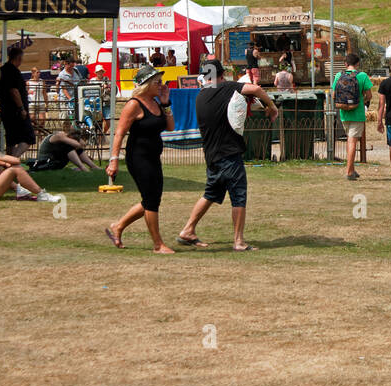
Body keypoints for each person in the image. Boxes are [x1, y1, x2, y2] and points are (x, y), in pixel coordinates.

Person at [176, 59, 278, 250]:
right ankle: (238, 241)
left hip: (212, 155)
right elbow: (256, 90)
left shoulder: (200, 96)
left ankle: (187, 230)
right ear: (221, 75)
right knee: (239, 195)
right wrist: (271, 107)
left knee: (211, 193)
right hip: (228, 154)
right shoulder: (224, 88)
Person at [106, 66, 175, 252]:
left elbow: (170, 127)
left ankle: (118, 226)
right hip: (138, 158)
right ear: (146, 85)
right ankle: (158, 245)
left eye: (161, 82)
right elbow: (119, 133)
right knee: (151, 200)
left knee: (151, 199)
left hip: (154, 157)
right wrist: (114, 159)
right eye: (157, 82)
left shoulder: (158, 102)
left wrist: (166, 103)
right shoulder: (134, 104)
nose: (161, 85)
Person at [0, 129, 57, 203]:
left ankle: (19, 190)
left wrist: (4, 164)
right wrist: (8, 161)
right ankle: (41, 194)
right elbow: (16, 160)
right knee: (16, 169)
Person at [331, 53, 373, 181]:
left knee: (350, 140)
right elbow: (369, 95)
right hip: (357, 113)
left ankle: (352, 169)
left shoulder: (339, 75)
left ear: (345, 64)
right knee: (352, 141)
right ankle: (349, 171)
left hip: (343, 113)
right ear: (357, 64)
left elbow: (333, 95)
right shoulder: (362, 76)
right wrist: (362, 100)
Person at [0, 45, 33, 158]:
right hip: (16, 111)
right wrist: (21, 108)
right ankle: (12, 160)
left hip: (6, 109)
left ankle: (9, 164)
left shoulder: (3, 69)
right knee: (29, 137)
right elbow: (14, 91)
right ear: (18, 58)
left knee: (11, 139)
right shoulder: (13, 71)